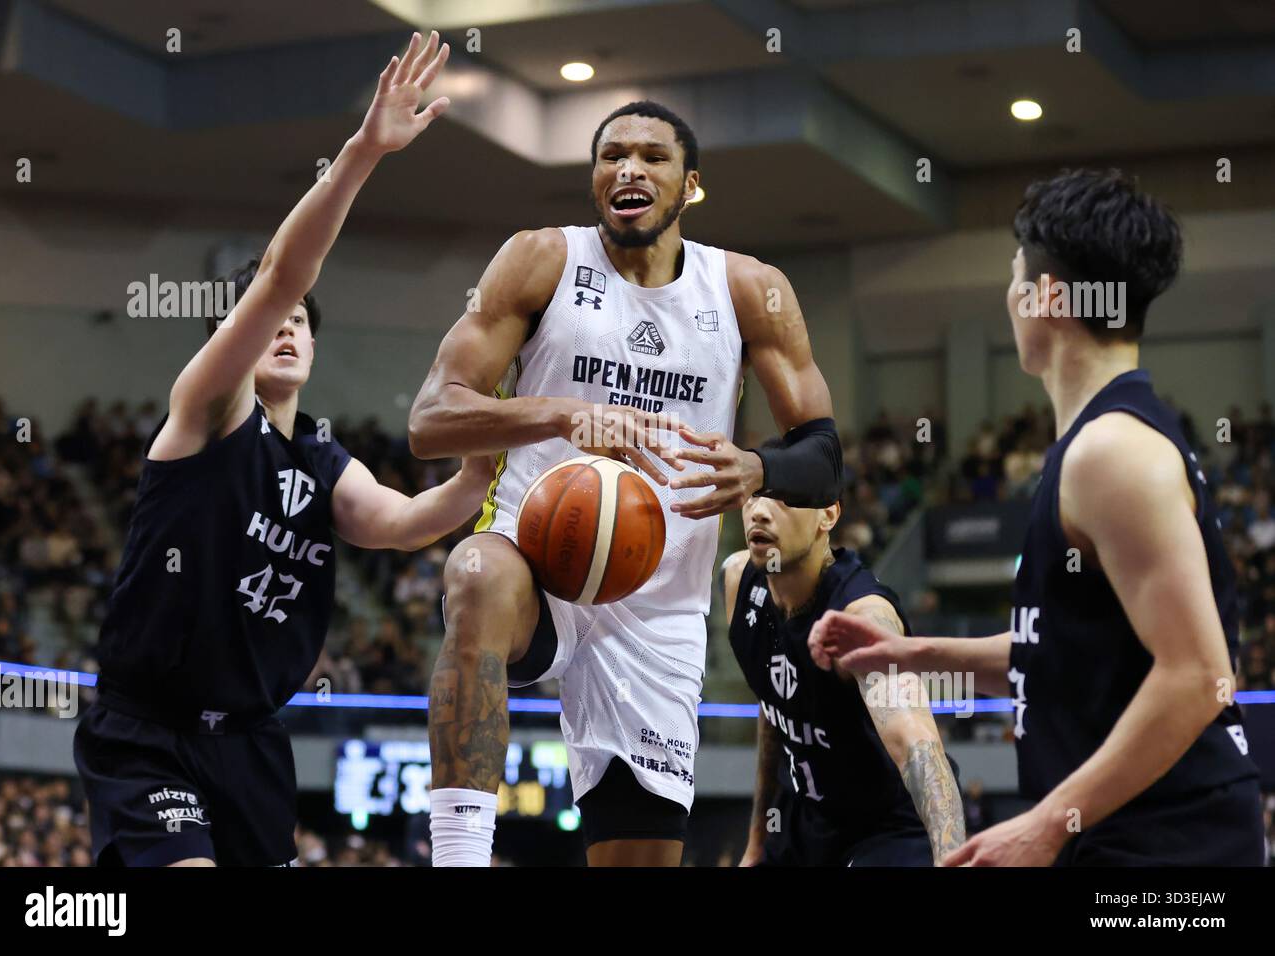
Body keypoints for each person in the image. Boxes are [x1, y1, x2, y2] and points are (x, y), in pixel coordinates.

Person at [74, 34, 492, 867]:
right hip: (148, 728)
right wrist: (364, 152)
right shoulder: (207, 410)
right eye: (278, 319)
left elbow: (405, 522)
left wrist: (482, 472)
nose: (291, 326)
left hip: (252, 742)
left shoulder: (325, 461)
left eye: (304, 322)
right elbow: (278, 278)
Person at [410, 100, 843, 866]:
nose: (629, 169)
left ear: (691, 185)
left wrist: (758, 468)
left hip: (657, 599)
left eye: (651, 156)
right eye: (611, 156)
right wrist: (563, 415)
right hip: (539, 557)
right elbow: (431, 419)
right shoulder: (542, 258)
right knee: (473, 572)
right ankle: (458, 856)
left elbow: (824, 452)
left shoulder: (746, 290)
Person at [811, 169, 1264, 866]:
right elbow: (1061, 656)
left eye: (1015, 276)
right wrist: (913, 654)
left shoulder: (1110, 453)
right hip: (1141, 841)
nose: (1008, 297)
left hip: (1169, 851)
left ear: (1047, 296)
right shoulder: (1103, 442)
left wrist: (1049, 821)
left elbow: (1199, 675)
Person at [723, 476, 964, 866]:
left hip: (886, 828)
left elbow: (917, 744)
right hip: (804, 821)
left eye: (784, 498)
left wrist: (951, 859)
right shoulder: (737, 579)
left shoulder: (864, 616)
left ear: (828, 514)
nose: (760, 511)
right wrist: (754, 846)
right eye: (754, 496)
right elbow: (773, 709)